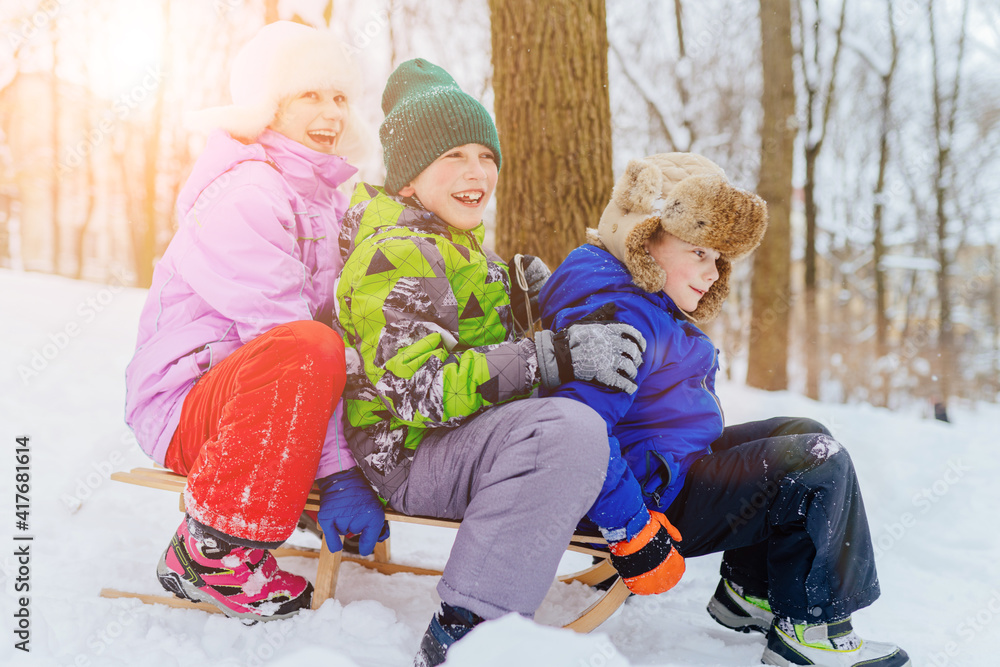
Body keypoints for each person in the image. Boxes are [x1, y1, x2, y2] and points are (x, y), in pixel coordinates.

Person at [538, 153, 911, 667]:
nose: (713, 273)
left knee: (804, 430)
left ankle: (750, 593)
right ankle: (813, 630)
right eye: (698, 252)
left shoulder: (641, 296)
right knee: (818, 461)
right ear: (645, 241)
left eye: (718, 258)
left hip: (663, 468)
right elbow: (579, 431)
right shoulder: (617, 314)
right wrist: (631, 533)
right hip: (645, 503)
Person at [335, 58, 647, 667]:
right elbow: (421, 391)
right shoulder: (396, 252)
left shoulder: (460, 246)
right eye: (453, 156)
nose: (477, 172)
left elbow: (481, 356)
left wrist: (528, 312)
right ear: (408, 177)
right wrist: (551, 354)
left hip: (448, 441)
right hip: (406, 451)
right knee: (567, 429)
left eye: (486, 155)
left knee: (583, 415)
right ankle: (470, 625)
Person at [124, 21, 389, 623]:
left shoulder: (330, 200)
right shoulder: (248, 193)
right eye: (309, 95)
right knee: (308, 345)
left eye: (340, 96)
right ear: (268, 105)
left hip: (255, 399)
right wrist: (338, 468)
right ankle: (212, 548)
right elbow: (286, 341)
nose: (331, 113)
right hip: (188, 407)